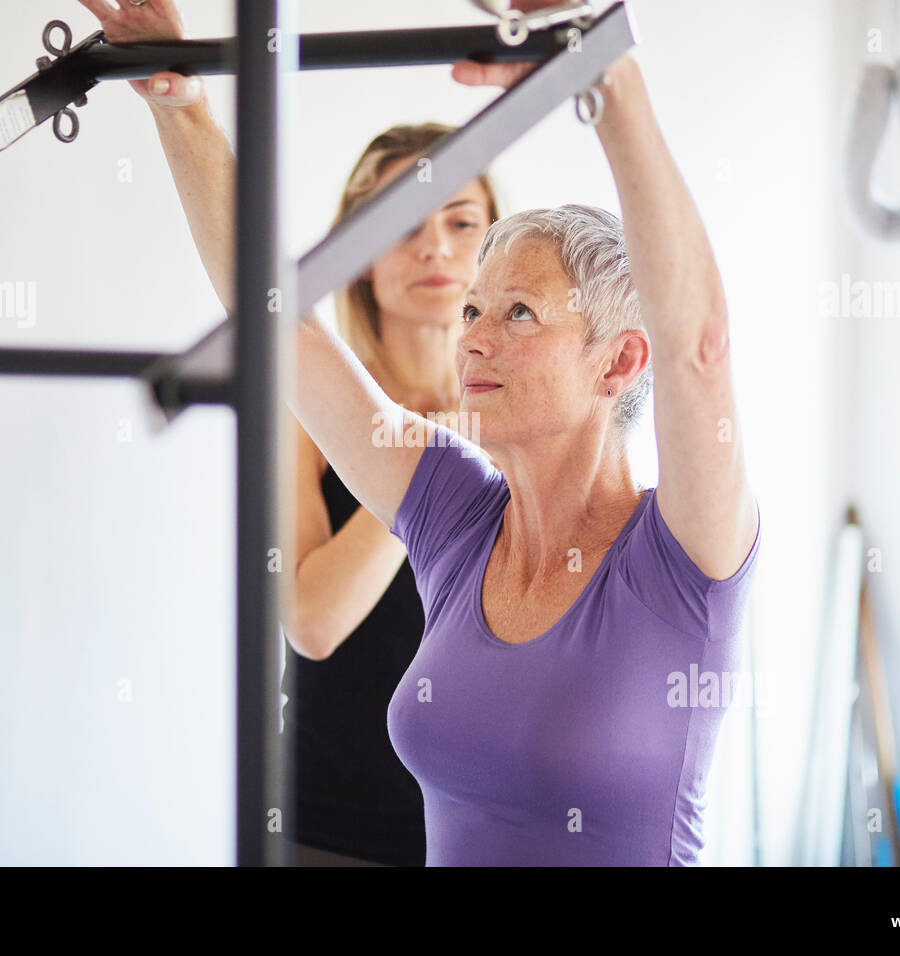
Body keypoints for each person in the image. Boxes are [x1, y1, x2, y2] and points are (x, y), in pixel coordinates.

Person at [96, 0, 763, 865]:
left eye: (519, 313)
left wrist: (607, 76)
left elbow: (699, 346)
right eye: (476, 309)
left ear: (619, 362)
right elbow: (276, 320)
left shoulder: (682, 559)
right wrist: (181, 107)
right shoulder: (455, 515)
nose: (473, 335)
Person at [74, 0, 501, 866]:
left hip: (491, 826)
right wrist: (182, 107)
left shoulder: (531, 406)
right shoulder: (316, 411)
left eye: (462, 220)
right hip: (328, 826)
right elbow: (312, 618)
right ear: (357, 245)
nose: (436, 247)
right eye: (402, 221)